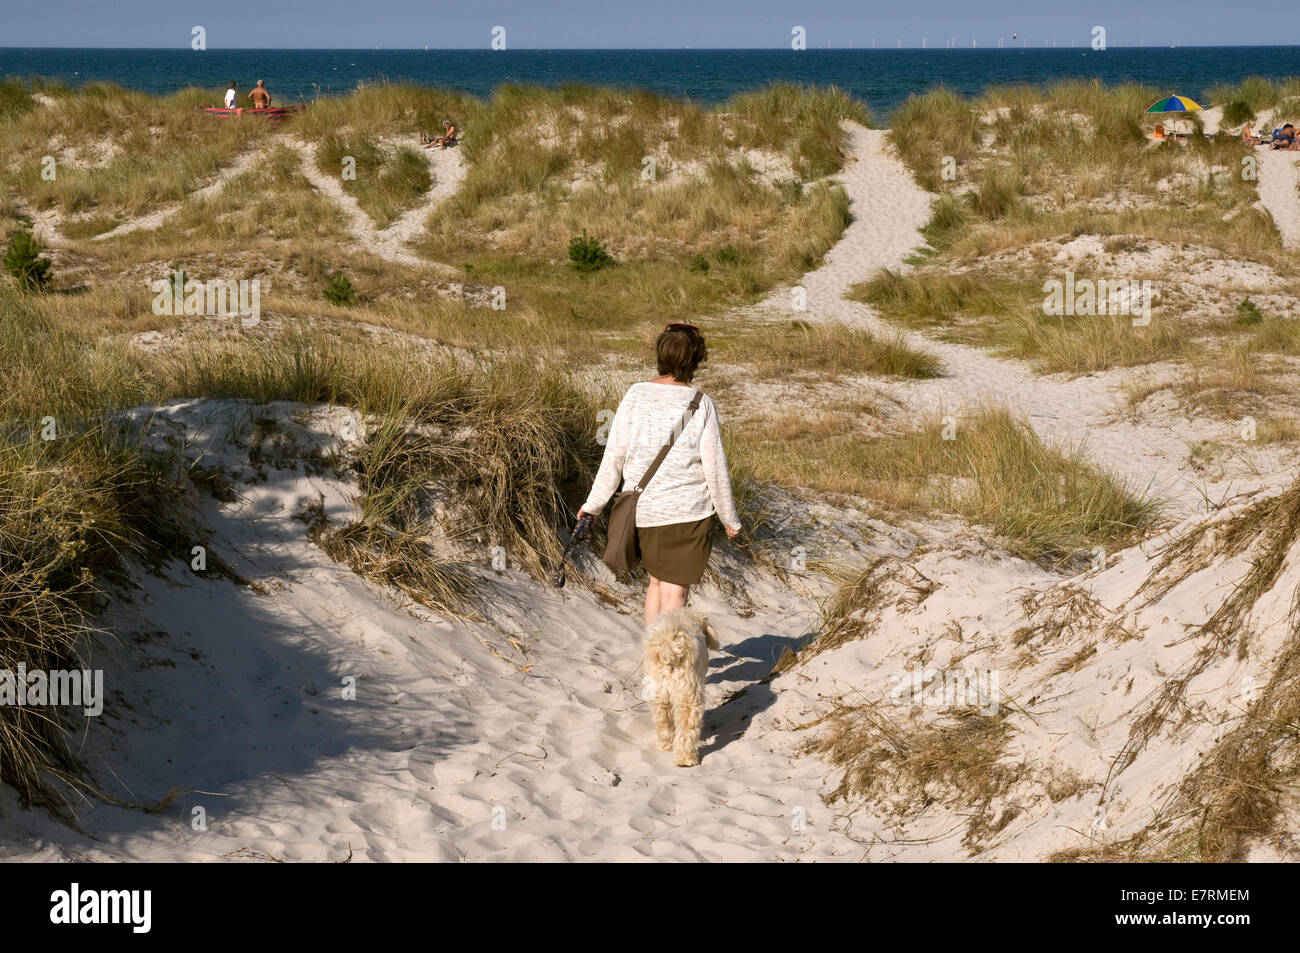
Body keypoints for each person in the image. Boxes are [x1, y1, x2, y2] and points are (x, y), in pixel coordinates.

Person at [577, 323, 742, 627]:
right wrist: (729, 518)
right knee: (676, 592)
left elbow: (614, 456)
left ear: (661, 353)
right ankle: (667, 662)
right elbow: (715, 467)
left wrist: (593, 505)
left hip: (646, 510)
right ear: (695, 359)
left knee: (655, 584)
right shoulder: (701, 403)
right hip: (688, 514)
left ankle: (652, 655)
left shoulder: (635, 394)